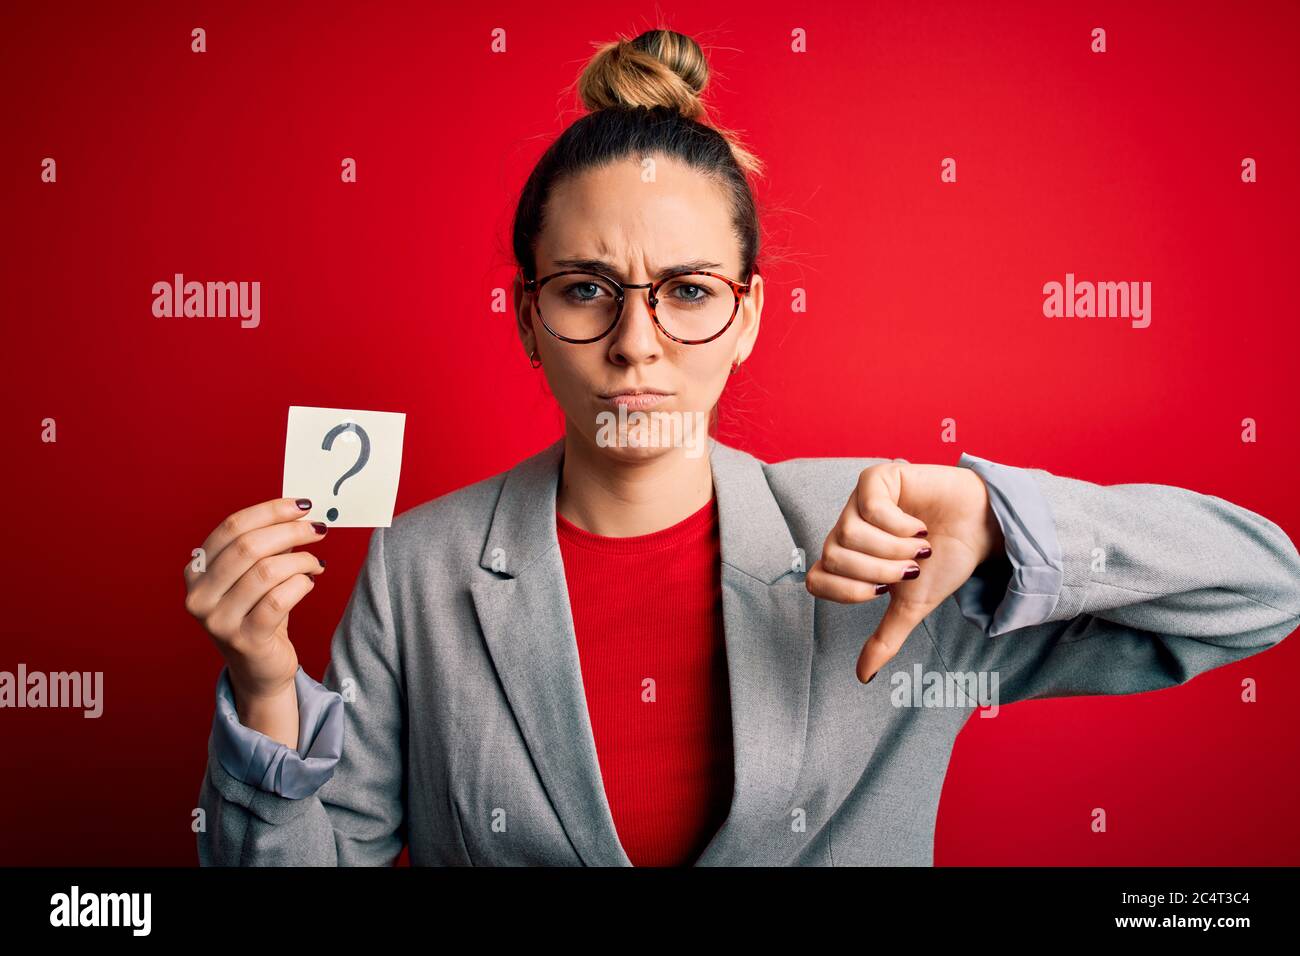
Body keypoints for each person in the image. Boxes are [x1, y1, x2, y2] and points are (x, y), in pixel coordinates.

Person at [184, 28, 1300, 867]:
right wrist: (268, 686)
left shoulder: (888, 539)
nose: (636, 345)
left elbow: (1262, 588)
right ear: (526, 318)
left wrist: (1004, 518)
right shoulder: (422, 568)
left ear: (750, 313)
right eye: (585, 291)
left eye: (686, 292)